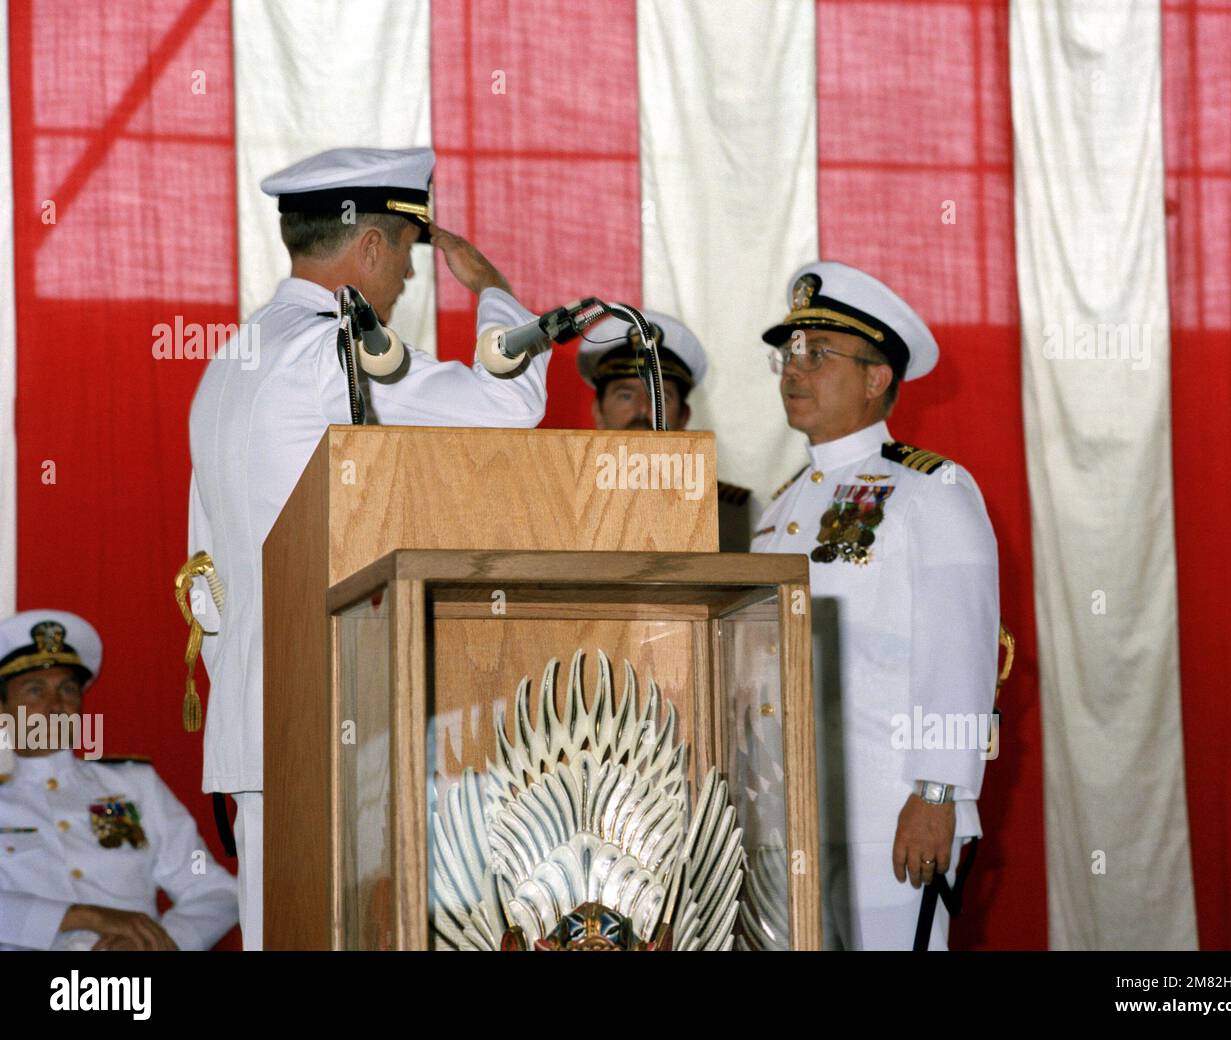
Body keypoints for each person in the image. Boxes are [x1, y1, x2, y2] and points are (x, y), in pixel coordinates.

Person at [186, 146, 549, 949]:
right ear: (372, 247)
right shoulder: (333, 351)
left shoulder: (229, 362)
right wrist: (493, 291)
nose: (412, 280)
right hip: (340, 718)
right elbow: (509, 405)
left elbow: (203, 586)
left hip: (260, 722)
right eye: (411, 255)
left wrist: (258, 686)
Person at [750, 261, 999, 950]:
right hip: (791, 814)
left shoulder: (931, 490)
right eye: (789, 354)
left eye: (818, 354)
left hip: (887, 814)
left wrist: (938, 792)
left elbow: (961, 649)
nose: (794, 371)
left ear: (876, 376)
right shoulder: (781, 506)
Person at [0, 610, 238, 951]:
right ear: (3, 708)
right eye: (35, 690)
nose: (55, 706)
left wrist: (153, 943)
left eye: (67, 689)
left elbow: (215, 891)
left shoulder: (135, 786)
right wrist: (82, 916)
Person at [578, 311, 752, 551]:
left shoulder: (727, 511)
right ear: (598, 411)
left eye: (659, 397)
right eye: (625, 395)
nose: (642, 409)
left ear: (684, 417)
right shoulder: (567, 499)